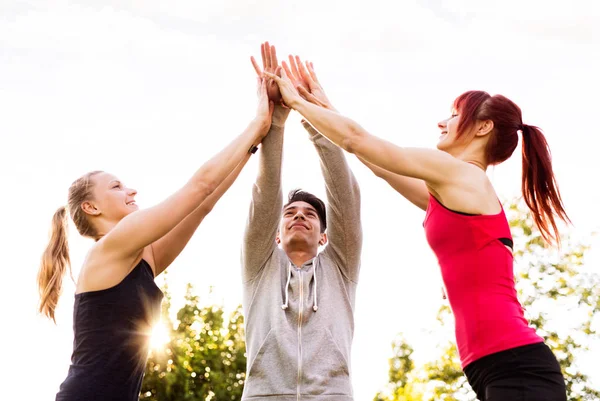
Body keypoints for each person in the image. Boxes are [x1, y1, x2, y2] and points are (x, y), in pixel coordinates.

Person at [266, 58, 568, 401]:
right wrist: (323, 106)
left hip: (516, 366)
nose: (442, 122)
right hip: (495, 368)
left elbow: (356, 140)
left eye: (454, 115)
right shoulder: (452, 189)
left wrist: (295, 100)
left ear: (483, 128)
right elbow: (377, 161)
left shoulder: (459, 174)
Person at [37, 80, 274, 401]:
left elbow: (203, 204)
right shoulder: (107, 250)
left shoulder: (140, 258)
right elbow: (199, 187)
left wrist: (255, 142)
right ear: (91, 207)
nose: (131, 190)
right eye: (117, 186)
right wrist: (256, 123)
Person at [240, 42, 362, 400]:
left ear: (325, 237)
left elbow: (345, 198)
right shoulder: (259, 265)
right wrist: (276, 122)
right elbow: (266, 194)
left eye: (310, 214)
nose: (299, 217)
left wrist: (311, 115)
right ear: (275, 235)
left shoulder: (341, 266)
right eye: (290, 213)